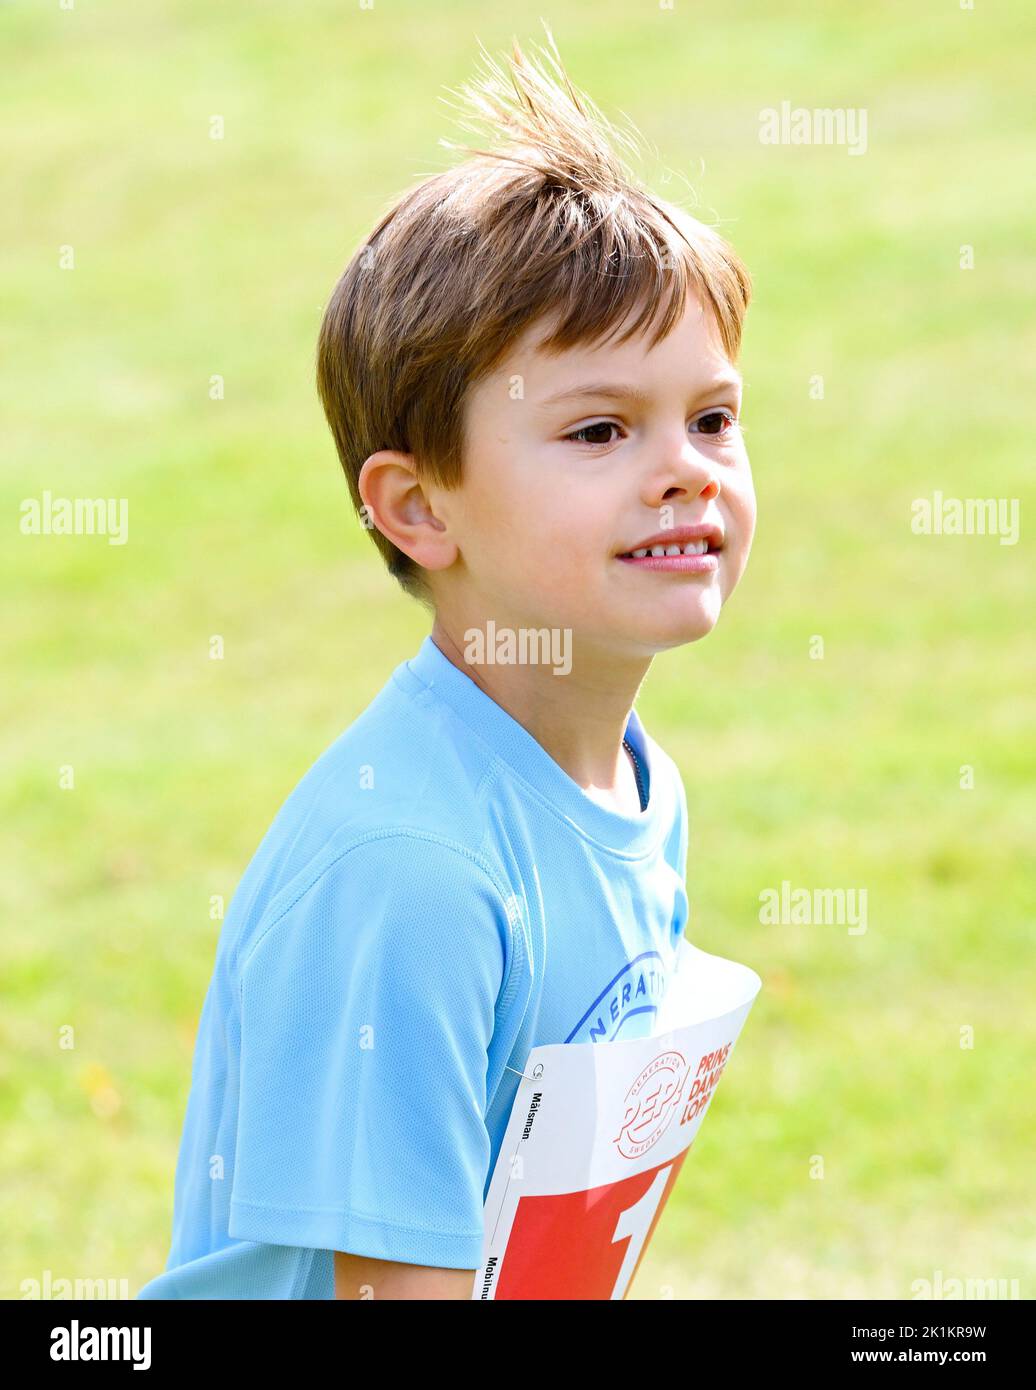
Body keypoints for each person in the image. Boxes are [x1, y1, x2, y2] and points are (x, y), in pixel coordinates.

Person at [138, 23, 755, 1301]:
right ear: (421, 509)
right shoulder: (412, 871)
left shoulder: (631, 785)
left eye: (710, 417)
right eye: (599, 428)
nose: (687, 466)